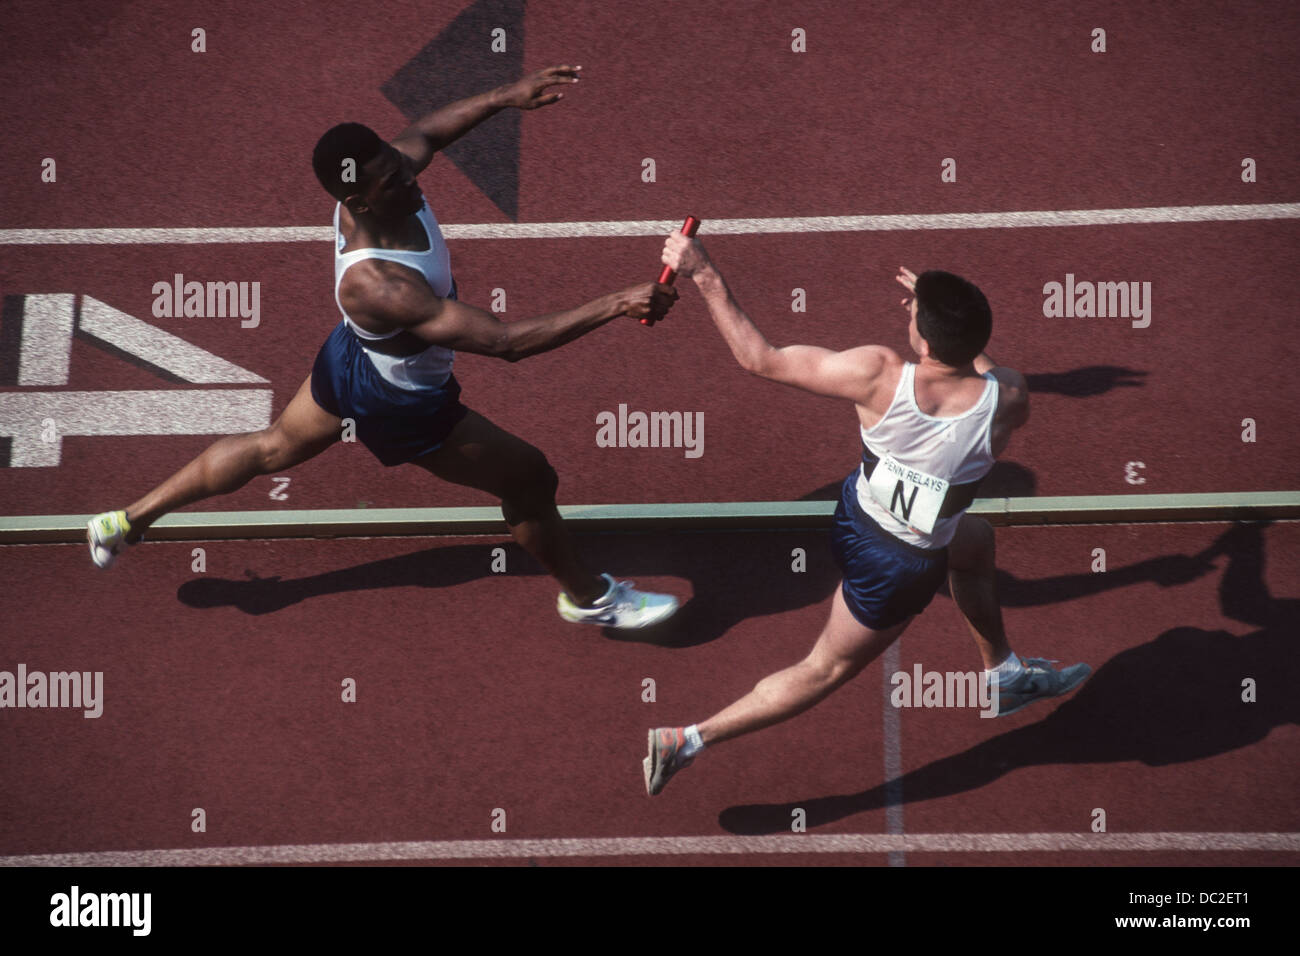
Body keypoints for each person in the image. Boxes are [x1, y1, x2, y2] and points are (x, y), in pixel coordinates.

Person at [87, 65, 680, 630]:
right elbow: (505, 343)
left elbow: (425, 133)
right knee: (529, 479)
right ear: (362, 202)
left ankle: (125, 521)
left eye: (398, 164)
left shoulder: (380, 179)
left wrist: (506, 95)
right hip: (401, 401)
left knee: (271, 447)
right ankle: (590, 600)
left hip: (351, 356)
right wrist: (616, 304)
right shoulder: (381, 284)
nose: (411, 175)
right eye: (395, 178)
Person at [643, 234, 1090, 795]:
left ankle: (1002, 673)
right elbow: (983, 369)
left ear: (922, 335)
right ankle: (686, 739)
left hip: (855, 518)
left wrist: (702, 271)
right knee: (824, 669)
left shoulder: (879, 375)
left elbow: (759, 359)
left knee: (973, 542)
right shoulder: (1010, 399)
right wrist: (947, 325)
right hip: (900, 565)